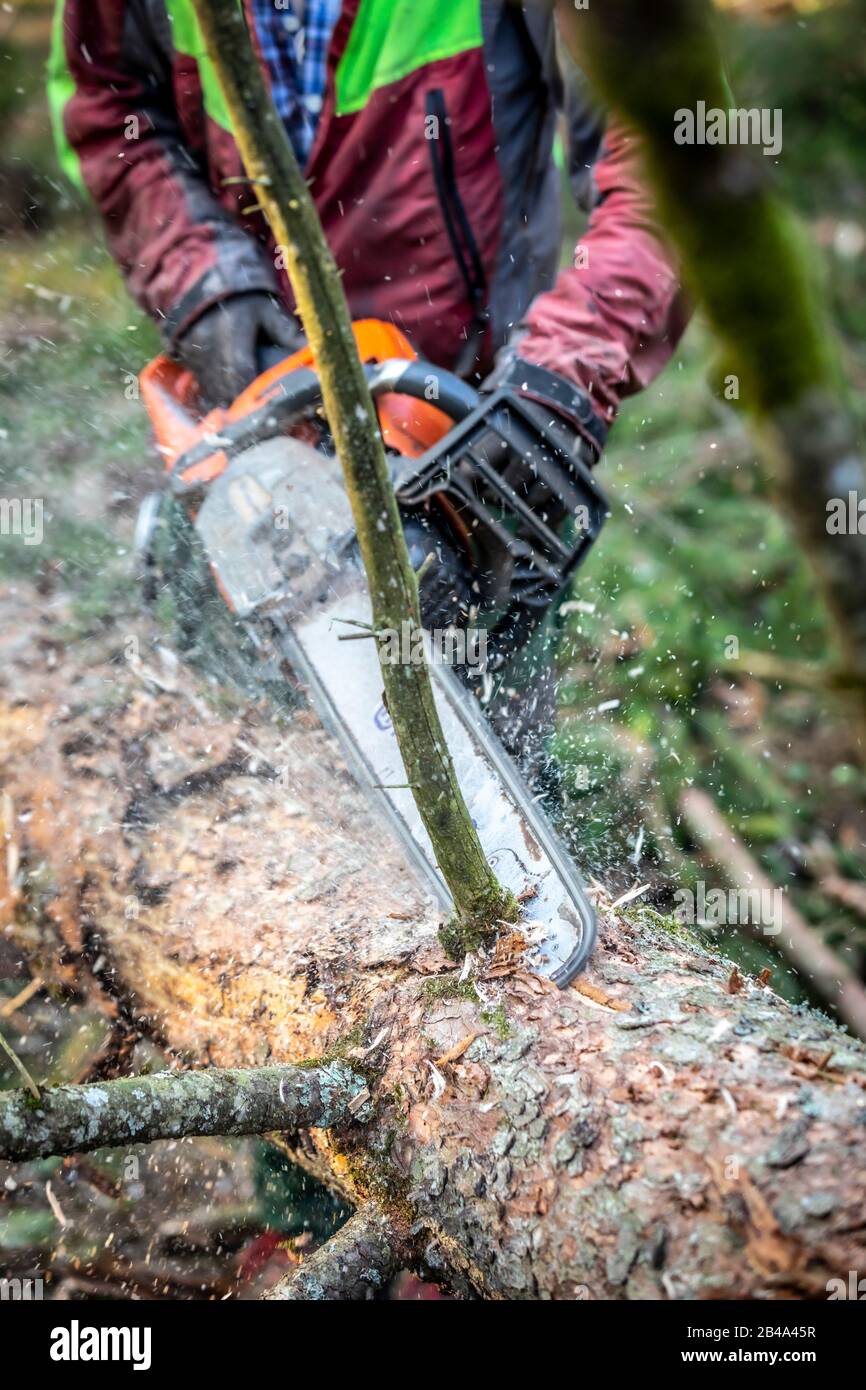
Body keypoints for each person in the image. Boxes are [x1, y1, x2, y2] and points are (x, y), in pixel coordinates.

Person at [48, 0, 687, 766]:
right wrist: (203, 279)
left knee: (496, 746)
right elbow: (106, 96)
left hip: (477, 414)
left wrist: (568, 367)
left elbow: (674, 147)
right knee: (244, 765)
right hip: (263, 390)